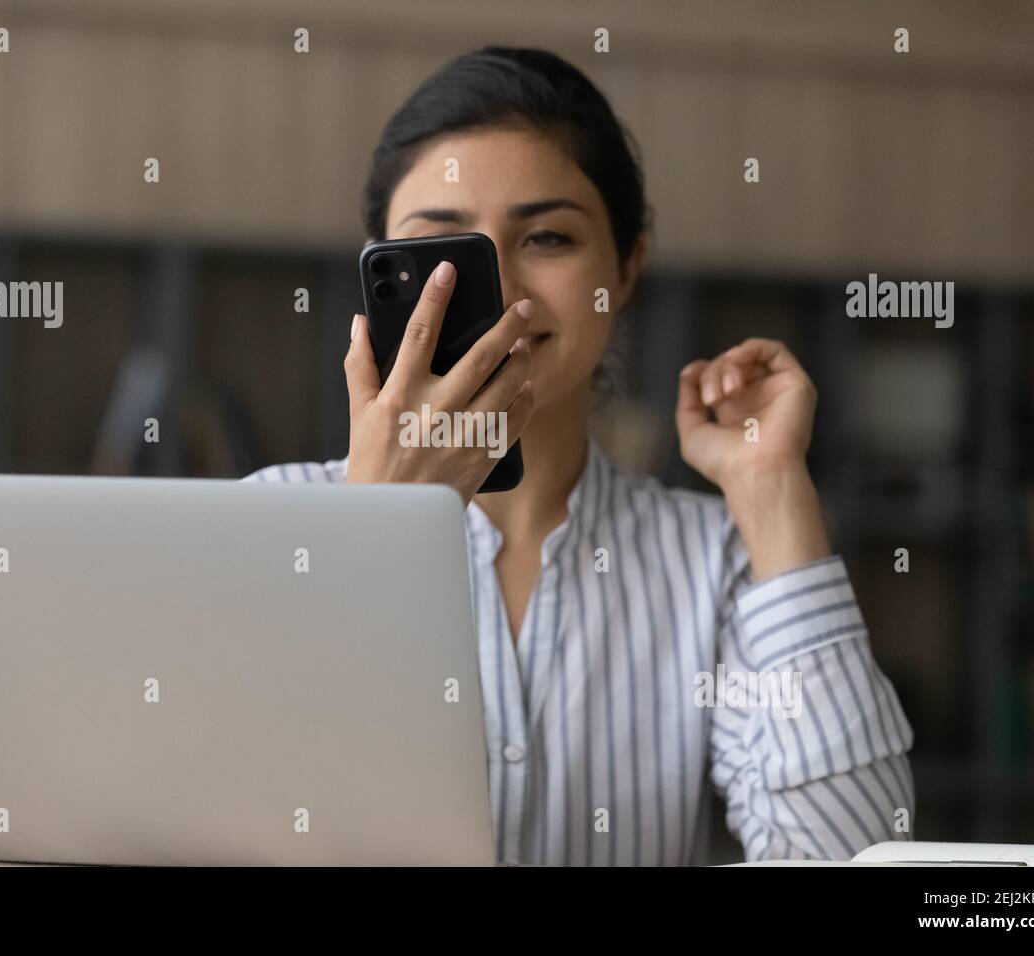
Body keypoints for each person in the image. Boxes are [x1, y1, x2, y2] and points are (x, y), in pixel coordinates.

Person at [246, 46, 914, 866]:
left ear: (626, 266)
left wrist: (773, 492)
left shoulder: (718, 568)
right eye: (439, 243)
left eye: (549, 237)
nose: (500, 292)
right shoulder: (262, 526)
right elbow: (226, 828)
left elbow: (855, 858)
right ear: (377, 261)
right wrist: (377, 530)